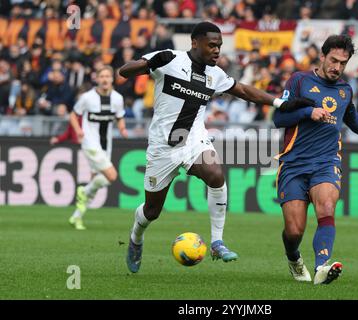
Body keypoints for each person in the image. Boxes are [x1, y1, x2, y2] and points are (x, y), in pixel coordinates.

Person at [118, 21, 314, 273]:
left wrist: (279, 102)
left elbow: (243, 90)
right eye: (212, 45)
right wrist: (147, 64)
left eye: (219, 46)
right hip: (162, 146)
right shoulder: (169, 59)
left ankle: (217, 242)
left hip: (193, 139)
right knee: (151, 211)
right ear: (195, 42)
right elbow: (125, 71)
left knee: (216, 175)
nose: (217, 50)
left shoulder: (215, 74)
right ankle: (136, 238)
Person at [272, 35, 358, 285]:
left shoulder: (345, 90)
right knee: (294, 231)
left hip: (326, 162)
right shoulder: (299, 80)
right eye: (333, 60)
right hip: (294, 164)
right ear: (322, 57)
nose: (337, 67)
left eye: (343, 63)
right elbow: (278, 119)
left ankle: (322, 265)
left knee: (326, 207)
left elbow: (351, 116)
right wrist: (307, 112)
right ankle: (293, 257)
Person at [68, 66, 128, 230]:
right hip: (90, 142)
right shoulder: (87, 98)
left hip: (106, 144)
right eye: (101, 76)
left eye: (107, 76)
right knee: (112, 176)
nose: (104, 79)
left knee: (96, 182)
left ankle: (77, 217)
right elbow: (73, 115)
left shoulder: (117, 98)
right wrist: (79, 130)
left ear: (112, 79)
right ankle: (83, 191)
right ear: (97, 79)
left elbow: (119, 116)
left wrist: (122, 129)